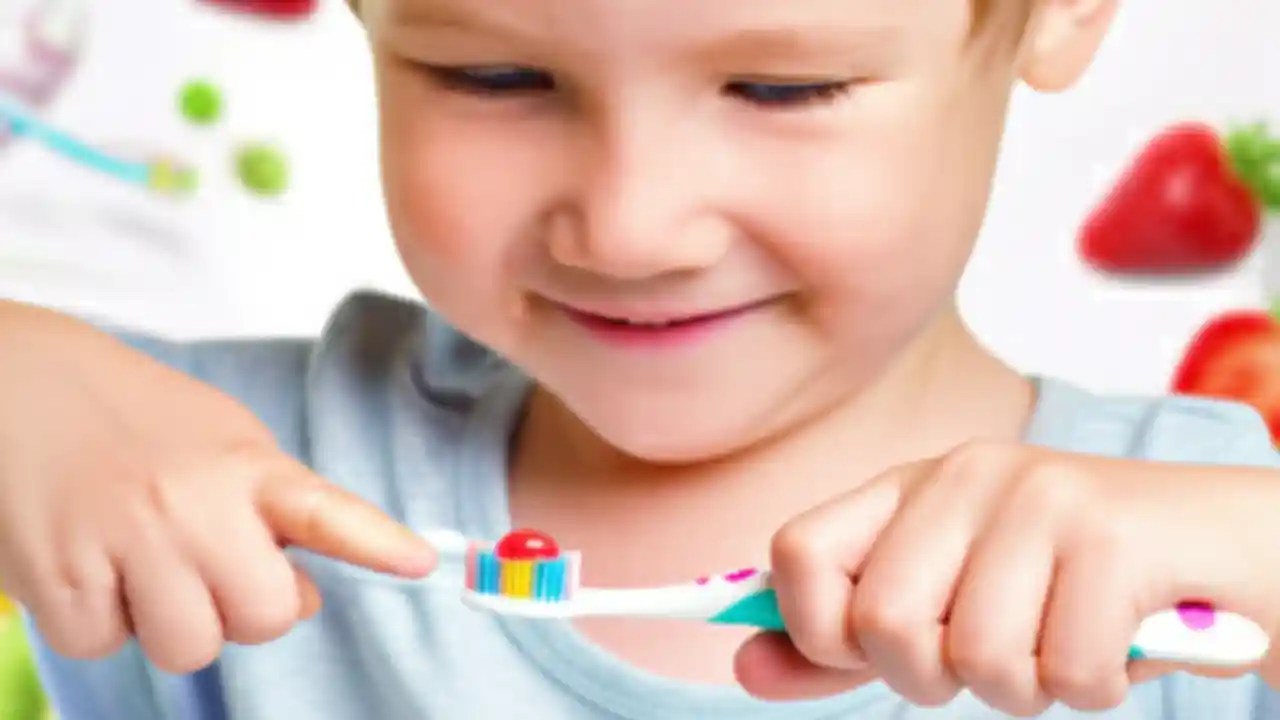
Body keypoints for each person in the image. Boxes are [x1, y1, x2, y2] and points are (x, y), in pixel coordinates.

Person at [2, 0, 1277, 718]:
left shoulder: (1209, 573)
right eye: (493, 75)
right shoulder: (203, 493)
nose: (628, 226)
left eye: (782, 91)